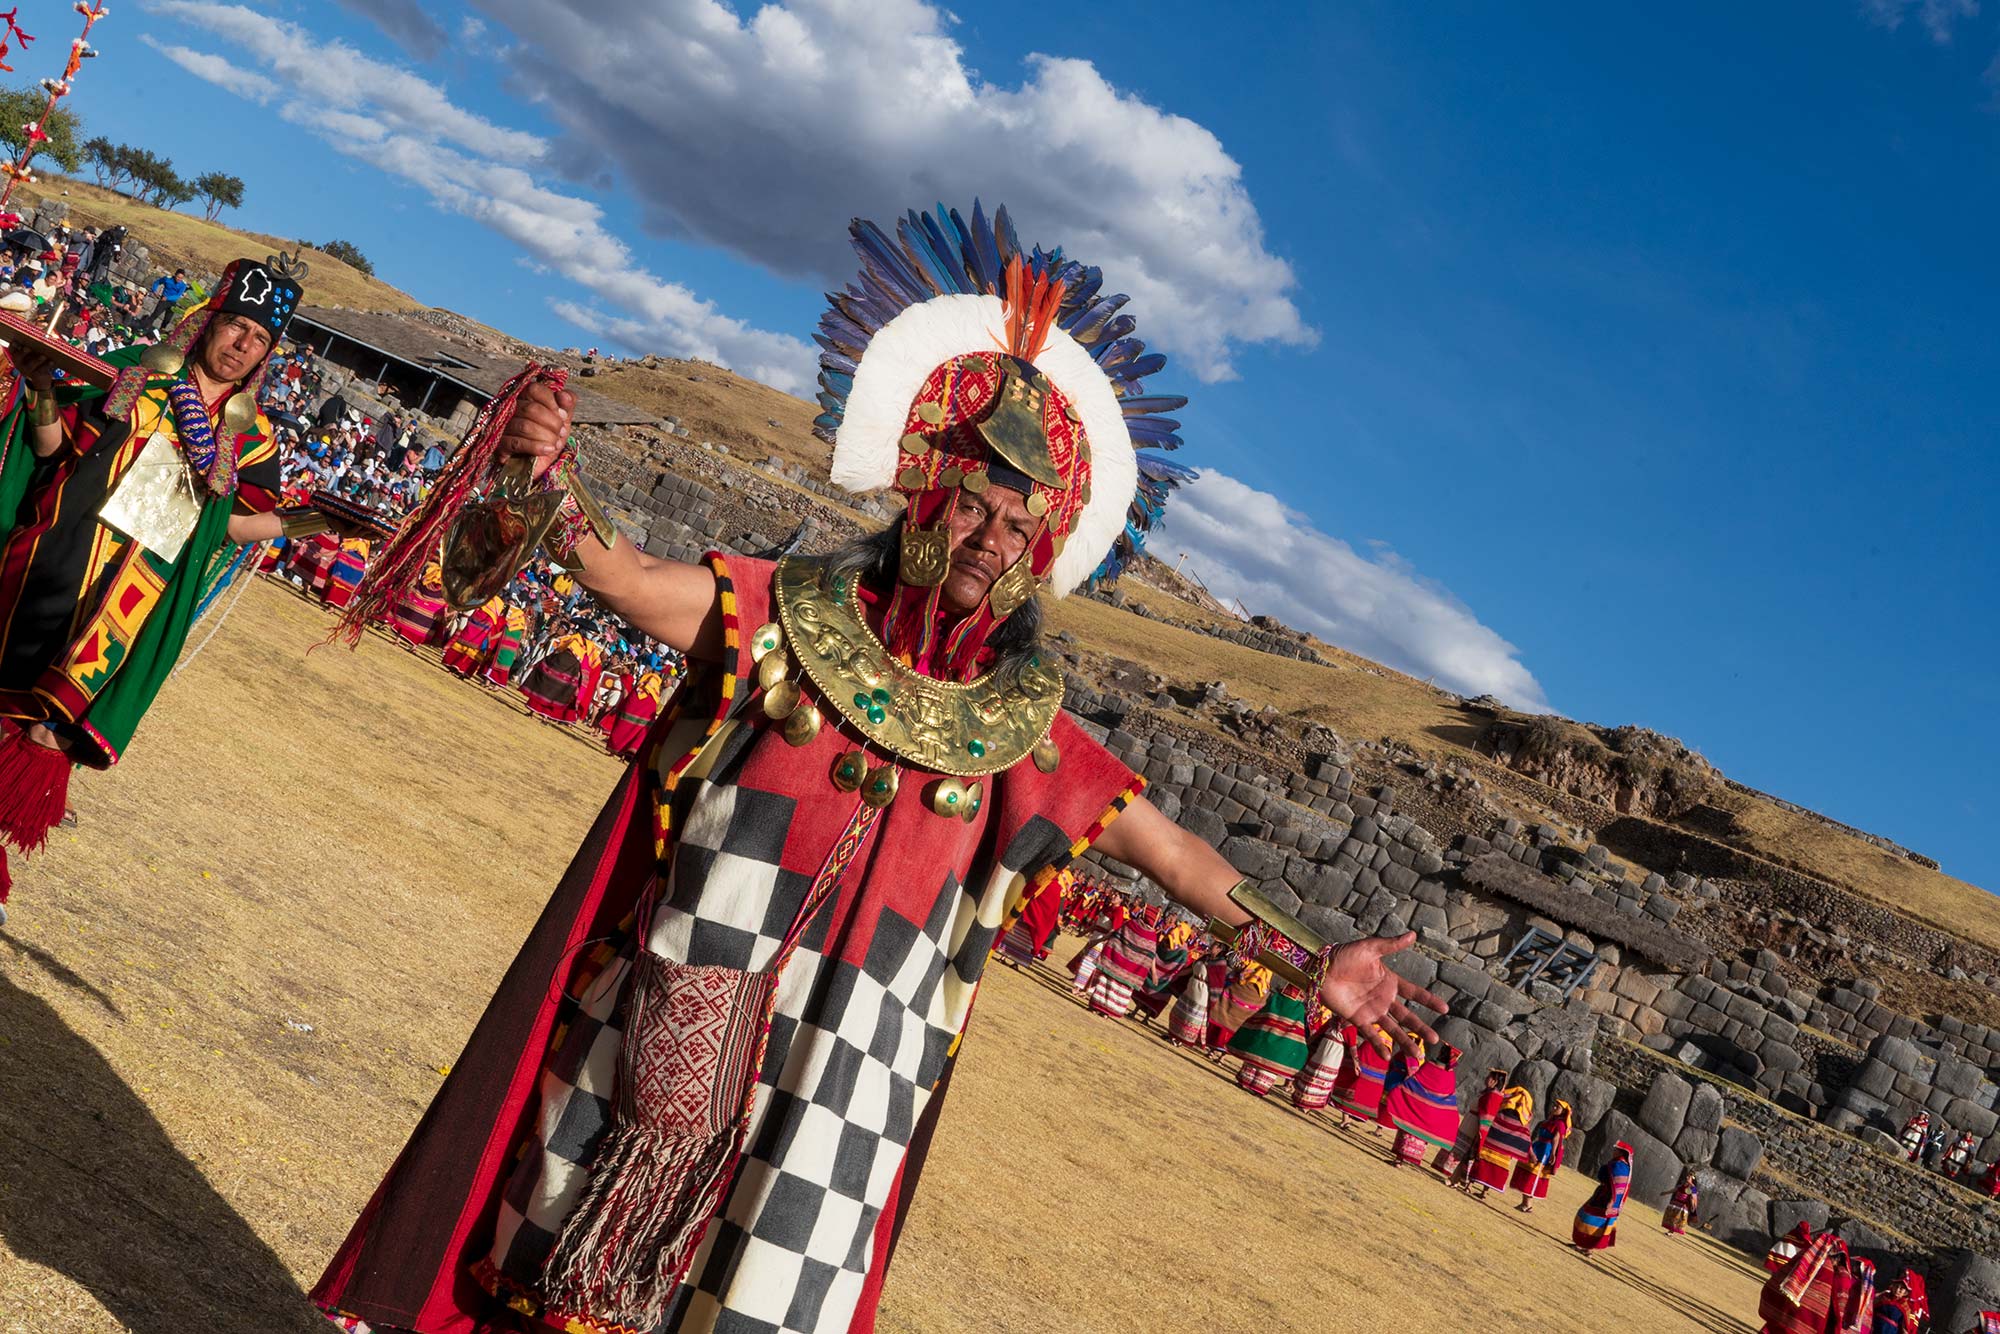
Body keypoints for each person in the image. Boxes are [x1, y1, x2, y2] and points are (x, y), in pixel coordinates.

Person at [312, 203, 1444, 1334]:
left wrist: (1311, 961)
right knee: (566, 1270)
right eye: (978, 505)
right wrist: (551, 480)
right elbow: (633, 580)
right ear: (922, 494)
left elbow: (1175, 853)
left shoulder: (1022, 725)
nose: (993, 537)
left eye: (1020, 525)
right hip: (687, 999)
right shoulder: (786, 610)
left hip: (848, 1083)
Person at [0, 255, 303, 902]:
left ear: (266, 356)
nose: (242, 347)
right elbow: (54, 451)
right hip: (53, 559)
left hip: (130, 600)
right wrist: (44, 391)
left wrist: (302, 525)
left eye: (259, 341)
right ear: (210, 322)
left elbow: (225, 527)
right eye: (236, 329)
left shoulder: (253, 441)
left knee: (47, 726)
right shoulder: (139, 370)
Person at [1382, 1042, 1460, 1167]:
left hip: (1416, 1107)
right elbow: (1449, 1096)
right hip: (1430, 1113)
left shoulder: (1430, 1066)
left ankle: (1399, 1160)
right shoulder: (1450, 1075)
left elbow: (1415, 1080)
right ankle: (1410, 1159)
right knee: (1421, 1136)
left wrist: (1402, 1089)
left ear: (1442, 1053)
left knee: (1407, 1133)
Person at [1469, 1083, 1535, 1202]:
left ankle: (1469, 1185)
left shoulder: (1502, 1111)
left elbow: (1490, 1122)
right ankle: (1484, 1192)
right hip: (1504, 1153)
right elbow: (1526, 1138)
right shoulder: (1523, 1121)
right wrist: (1530, 1153)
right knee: (1494, 1169)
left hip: (1490, 1145)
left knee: (1482, 1163)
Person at [1511, 1098, 1573, 1213]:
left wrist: (1553, 1153)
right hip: (1539, 1146)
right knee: (1527, 1171)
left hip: (1545, 1150)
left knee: (1533, 1175)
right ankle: (1524, 1202)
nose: (1554, 1108)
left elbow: (1556, 1139)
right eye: (1554, 1105)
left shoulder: (1560, 1124)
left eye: (1557, 1107)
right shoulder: (1551, 1120)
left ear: (1563, 1112)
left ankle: (1528, 1204)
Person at [1573, 1141, 1633, 1253]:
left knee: (1588, 1218)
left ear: (1621, 1153)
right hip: (1609, 1198)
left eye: (1616, 1150)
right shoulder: (1624, 1167)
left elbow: (1615, 1186)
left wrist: (1611, 1201)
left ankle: (1582, 1246)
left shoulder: (1617, 1165)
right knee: (1598, 1222)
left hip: (1604, 1198)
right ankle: (1588, 1249)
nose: (1613, 1151)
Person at [143, 267, 191, 334]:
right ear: (175, 275)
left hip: (172, 302)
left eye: (181, 278)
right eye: (178, 277)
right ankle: (145, 328)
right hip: (163, 300)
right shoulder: (167, 279)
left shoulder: (183, 285)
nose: (179, 279)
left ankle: (160, 333)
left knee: (167, 319)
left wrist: (168, 298)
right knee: (155, 314)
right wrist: (154, 290)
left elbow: (177, 296)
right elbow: (157, 282)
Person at [1662, 1168, 1700, 1235]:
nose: (1687, 1177)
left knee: (1677, 1219)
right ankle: (1670, 1231)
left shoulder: (1693, 1187)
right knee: (1672, 1217)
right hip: (1675, 1203)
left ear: (1692, 1178)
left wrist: (1693, 1205)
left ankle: (1671, 1232)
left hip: (1682, 1205)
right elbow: (1675, 1189)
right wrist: (1665, 1192)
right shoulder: (1683, 1184)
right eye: (1687, 1176)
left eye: (1689, 1176)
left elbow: (1693, 1197)